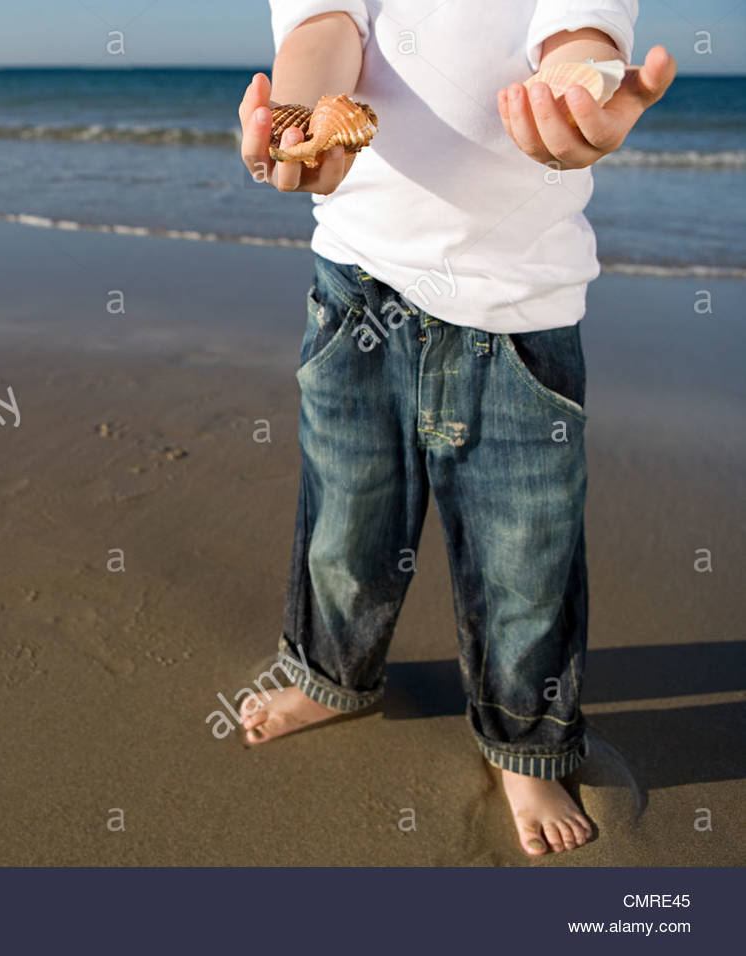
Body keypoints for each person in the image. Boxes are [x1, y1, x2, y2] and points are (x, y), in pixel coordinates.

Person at [236, 1, 675, 856]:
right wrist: (298, 118)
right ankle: (332, 674)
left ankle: (526, 740)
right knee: (347, 518)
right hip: (356, 287)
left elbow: (577, 34)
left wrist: (574, 88)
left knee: (525, 559)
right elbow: (324, 28)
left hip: (516, 313)